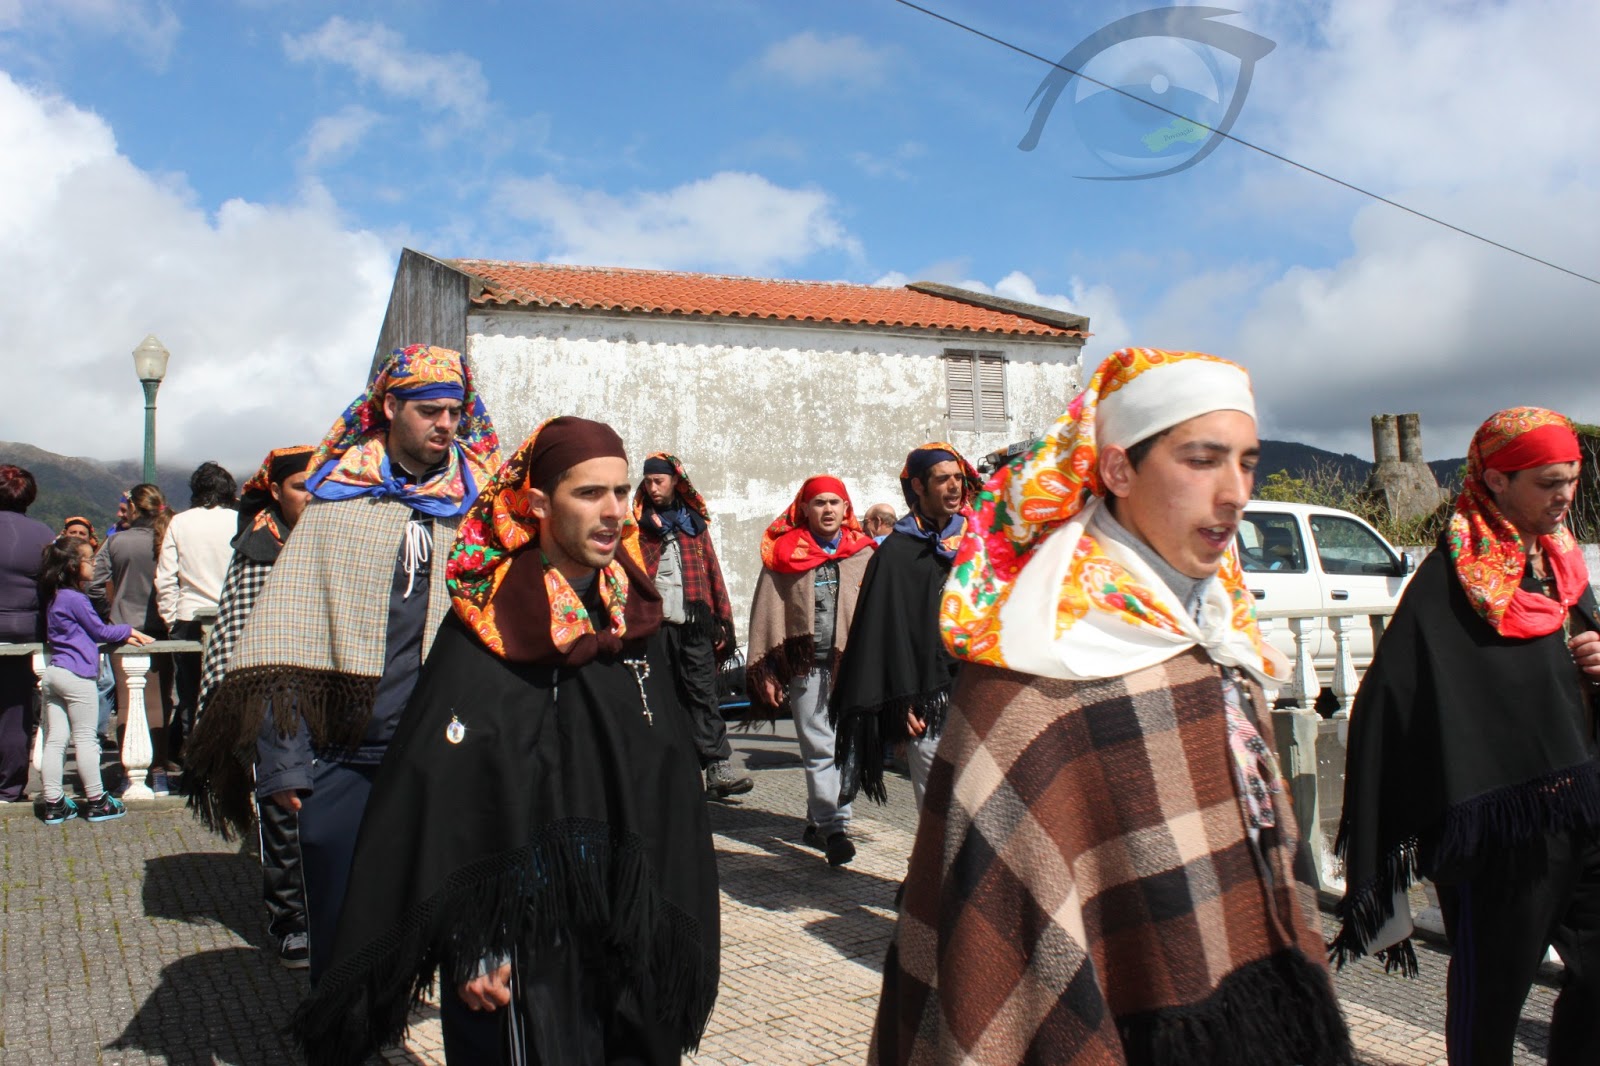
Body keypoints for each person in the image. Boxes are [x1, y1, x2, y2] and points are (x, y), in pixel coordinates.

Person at [872, 349, 1349, 1065]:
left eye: (1247, 462)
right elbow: (998, 957)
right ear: (1120, 469)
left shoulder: (1218, 630)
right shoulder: (1034, 681)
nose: (1235, 493)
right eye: (1202, 460)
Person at [294, 417, 720, 1066]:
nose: (612, 512)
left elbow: (661, 776)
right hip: (521, 950)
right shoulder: (486, 627)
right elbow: (442, 798)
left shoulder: (634, 616)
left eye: (620, 491)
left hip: (624, 931)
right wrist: (476, 942)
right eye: (588, 494)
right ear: (539, 503)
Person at [185, 344, 500, 985]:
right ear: (389, 407)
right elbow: (285, 643)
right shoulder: (337, 507)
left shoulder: (480, 509)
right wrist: (283, 764)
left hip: (444, 751)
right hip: (344, 755)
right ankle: (344, 1029)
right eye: (430, 411)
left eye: (455, 412)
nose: (446, 425)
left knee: (442, 918)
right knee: (341, 926)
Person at [1333, 407, 1600, 1066]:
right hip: (1501, 836)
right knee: (1492, 1005)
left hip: (1584, 813)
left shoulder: (1562, 565)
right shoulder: (1453, 583)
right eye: (1547, 482)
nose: (1564, 495)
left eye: (1570, 478)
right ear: (1496, 482)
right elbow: (1392, 703)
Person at [190, 445, 314, 968]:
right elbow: (235, 631)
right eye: (300, 486)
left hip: (337, 692)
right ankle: (290, 918)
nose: (312, 495)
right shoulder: (258, 547)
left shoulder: (342, 537)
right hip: (272, 692)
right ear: (275, 492)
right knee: (284, 805)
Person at [832, 444, 982, 811]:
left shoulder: (977, 542)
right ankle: (931, 867)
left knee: (984, 806)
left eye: (958, 478)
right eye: (942, 479)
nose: (954, 487)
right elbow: (881, 637)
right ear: (918, 485)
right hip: (926, 699)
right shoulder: (896, 554)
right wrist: (900, 704)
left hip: (980, 689)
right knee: (938, 809)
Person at [747, 475, 875, 866]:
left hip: (851, 666)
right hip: (807, 667)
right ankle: (835, 826)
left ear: (846, 508)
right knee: (820, 747)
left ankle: (816, 819)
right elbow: (766, 616)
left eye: (835, 502)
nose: (828, 510)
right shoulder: (784, 555)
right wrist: (768, 671)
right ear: (803, 508)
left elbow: (876, 613)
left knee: (846, 744)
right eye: (819, 502)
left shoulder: (864, 555)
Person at [633, 452, 751, 799]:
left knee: (703, 693)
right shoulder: (637, 525)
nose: (654, 488)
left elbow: (712, 573)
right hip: (656, 625)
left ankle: (717, 767)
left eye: (660, 480)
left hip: (694, 624)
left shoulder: (693, 524)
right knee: (662, 696)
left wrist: (722, 622)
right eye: (649, 481)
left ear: (675, 481)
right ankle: (673, 773)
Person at [36, 535, 152, 822]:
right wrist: (127, 631)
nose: (94, 564)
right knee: (87, 739)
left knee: (56, 740)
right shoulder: (76, 598)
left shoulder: (54, 597)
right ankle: (99, 800)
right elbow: (99, 631)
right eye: (89, 559)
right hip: (77, 676)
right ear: (75, 566)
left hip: (55, 674)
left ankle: (53, 803)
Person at [155, 460, 238, 773]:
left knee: (191, 696)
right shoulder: (239, 520)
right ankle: (231, 765)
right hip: (233, 616)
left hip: (189, 618)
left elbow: (166, 576)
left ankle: (198, 768)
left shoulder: (180, 522)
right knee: (232, 692)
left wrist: (170, 617)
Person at [87, 483, 173, 786]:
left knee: (126, 701)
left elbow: (95, 586)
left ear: (133, 509)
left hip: (123, 630)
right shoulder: (167, 539)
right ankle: (159, 772)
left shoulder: (115, 542)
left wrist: (109, 613)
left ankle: (128, 772)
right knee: (158, 700)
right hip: (161, 631)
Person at [0, 465, 56, 803]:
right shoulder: (43, 535)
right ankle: (9, 785)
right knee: (16, 711)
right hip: (24, 630)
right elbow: (53, 588)